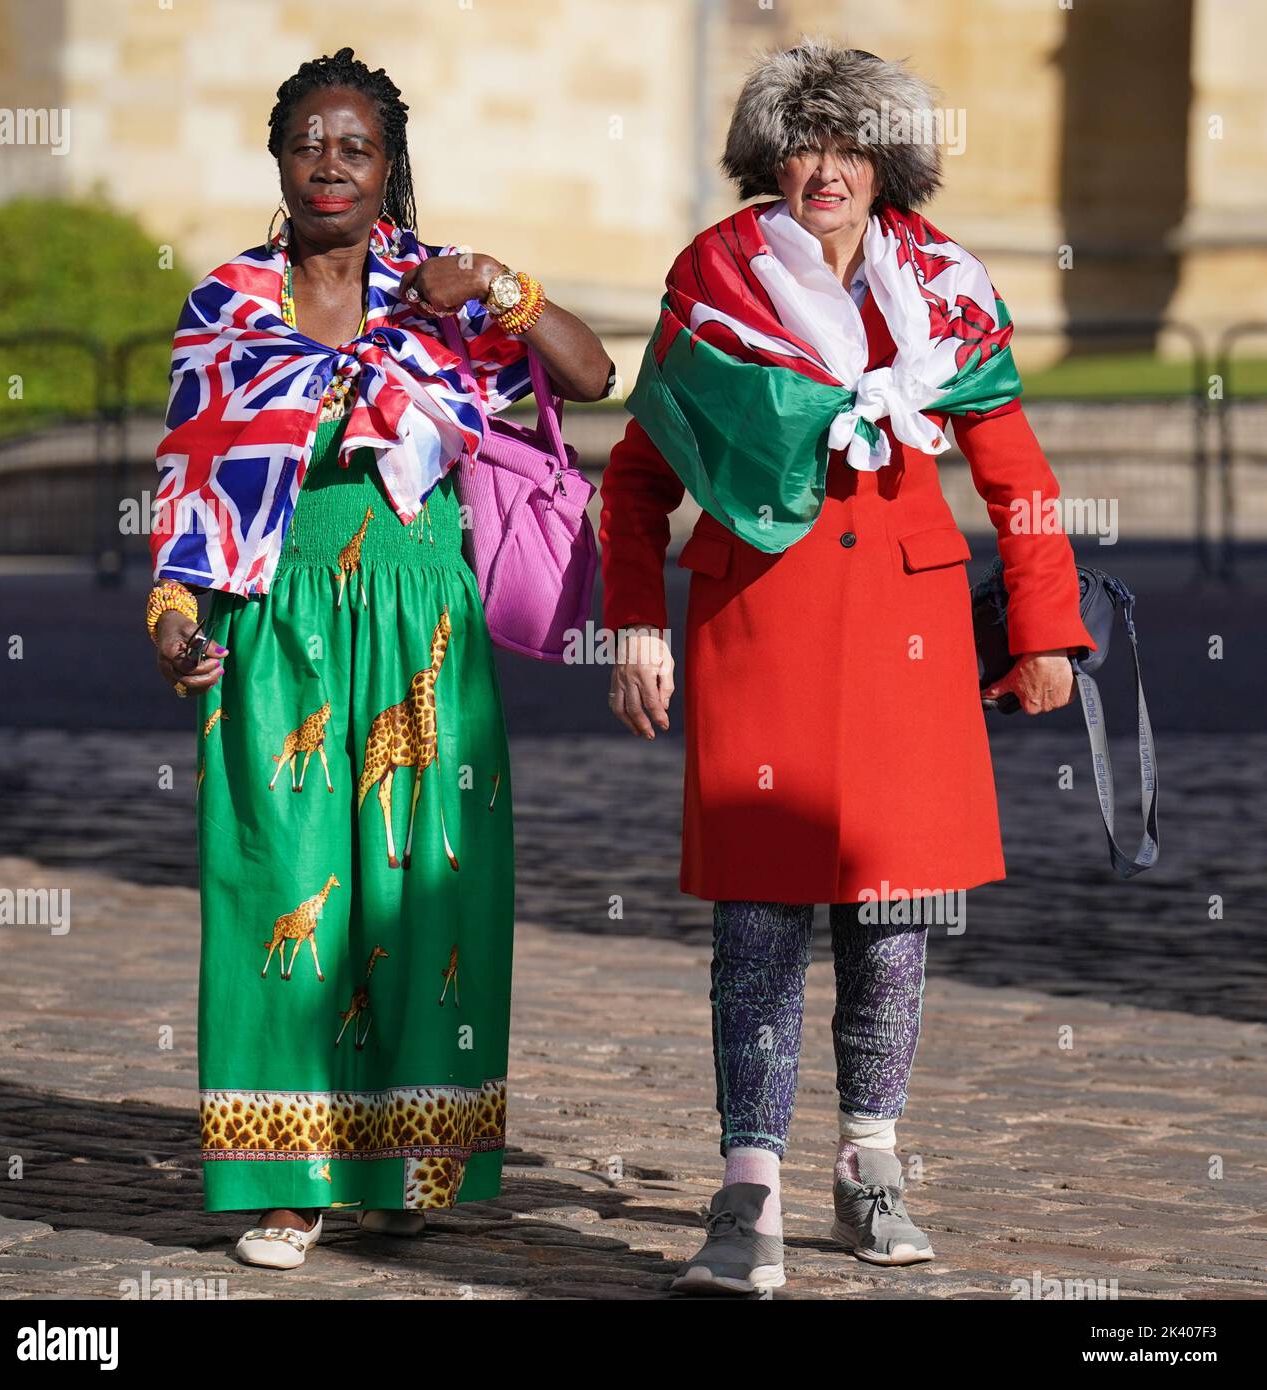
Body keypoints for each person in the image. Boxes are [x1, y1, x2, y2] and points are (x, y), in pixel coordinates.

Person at [600, 40, 1097, 1295]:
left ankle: (870, 1162)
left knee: (893, 922)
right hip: (754, 630)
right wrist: (635, 624)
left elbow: (1019, 480)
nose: (822, 170)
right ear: (773, 160)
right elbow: (636, 483)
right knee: (758, 926)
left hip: (907, 640)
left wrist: (1044, 625)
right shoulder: (713, 286)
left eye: (848, 146)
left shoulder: (946, 290)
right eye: (800, 147)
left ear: (888, 164)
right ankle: (747, 1191)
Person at [147, 47, 613, 1270]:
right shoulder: (229, 303)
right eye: (310, 142)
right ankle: (288, 1181)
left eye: (355, 146)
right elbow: (192, 490)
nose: (331, 165)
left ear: (389, 163)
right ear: (279, 159)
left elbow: (591, 374)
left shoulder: (442, 288)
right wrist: (171, 621)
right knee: (276, 885)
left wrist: (502, 286)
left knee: (421, 888)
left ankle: (405, 1161)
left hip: (422, 612)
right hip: (277, 613)